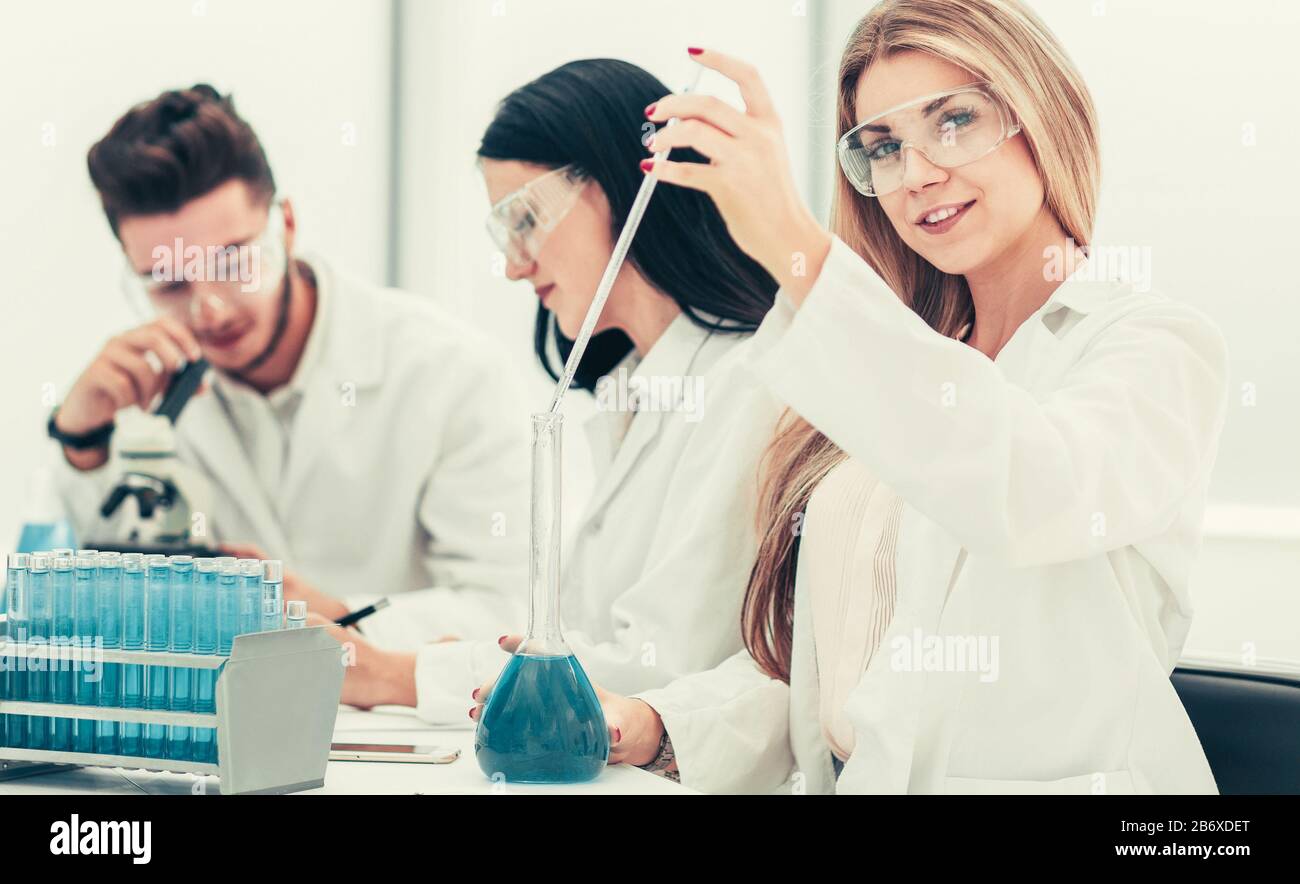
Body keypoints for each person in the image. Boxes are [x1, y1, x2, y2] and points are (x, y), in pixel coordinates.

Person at [481, 1, 1230, 794]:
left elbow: (1027, 488)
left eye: (955, 120)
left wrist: (795, 247)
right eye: (884, 147)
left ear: (1043, 111)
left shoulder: (1156, 348)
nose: (917, 174)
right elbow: (839, 675)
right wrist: (658, 725)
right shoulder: (894, 358)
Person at [327, 59, 785, 726]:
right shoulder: (634, 391)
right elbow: (575, 636)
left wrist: (395, 677)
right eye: (503, 233)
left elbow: (663, 664)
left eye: (524, 219)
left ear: (627, 184)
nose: (514, 265)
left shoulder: (740, 382)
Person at [49, 85, 530, 659]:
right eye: (169, 282)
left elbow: (506, 610)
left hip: (411, 735)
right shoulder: (136, 395)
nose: (210, 308)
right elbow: (81, 610)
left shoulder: (451, 372)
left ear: (289, 225)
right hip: (216, 740)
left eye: (233, 261)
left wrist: (319, 616)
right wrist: (80, 442)